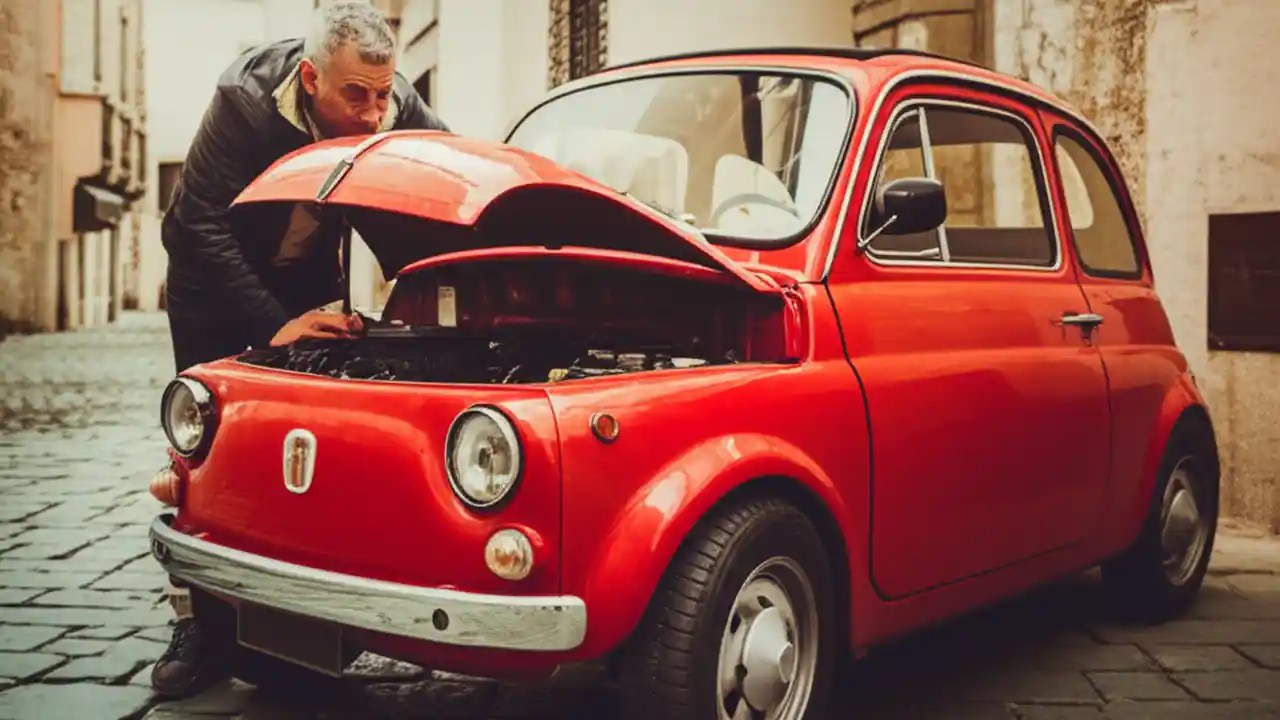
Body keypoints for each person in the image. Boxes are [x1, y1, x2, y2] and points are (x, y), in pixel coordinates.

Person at [151, 1, 448, 698]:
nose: (376, 114)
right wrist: (269, 325)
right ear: (310, 78)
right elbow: (194, 223)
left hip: (310, 282)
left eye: (384, 94)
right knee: (208, 452)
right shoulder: (243, 101)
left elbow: (445, 171)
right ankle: (198, 623)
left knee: (306, 442)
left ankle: (301, 607)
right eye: (357, 95)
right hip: (211, 280)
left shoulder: (393, 101)